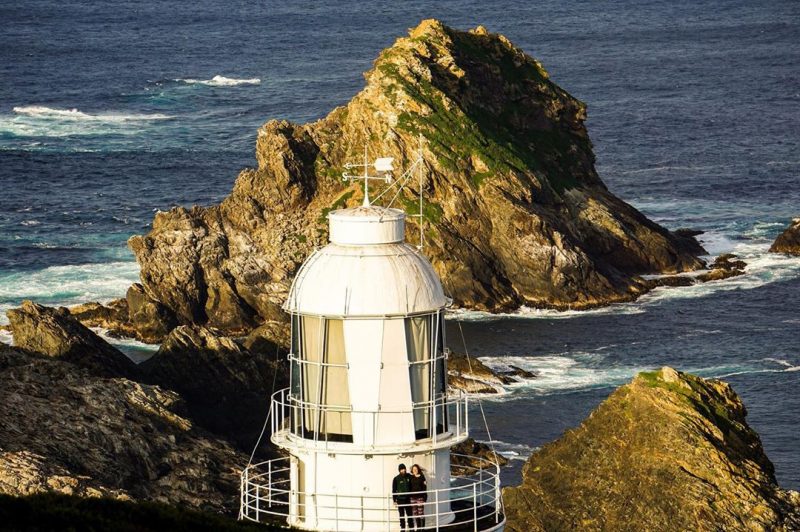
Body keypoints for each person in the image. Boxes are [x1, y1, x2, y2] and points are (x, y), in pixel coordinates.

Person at [392, 463, 413, 529]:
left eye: (404, 469)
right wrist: (394, 500)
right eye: (401, 469)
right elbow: (394, 490)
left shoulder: (409, 476)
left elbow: (416, 477)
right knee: (401, 515)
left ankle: (411, 528)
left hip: (408, 499)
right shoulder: (396, 479)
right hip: (400, 499)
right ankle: (403, 528)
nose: (403, 470)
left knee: (409, 514)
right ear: (399, 470)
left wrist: (423, 480)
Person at [409, 464, 428, 530]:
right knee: (415, 513)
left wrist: (425, 498)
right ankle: (418, 528)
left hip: (420, 497)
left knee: (421, 513)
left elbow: (424, 488)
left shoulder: (422, 477)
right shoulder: (411, 477)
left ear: (418, 470)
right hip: (412, 498)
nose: (415, 470)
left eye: (416, 469)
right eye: (413, 469)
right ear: (412, 470)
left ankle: (422, 529)